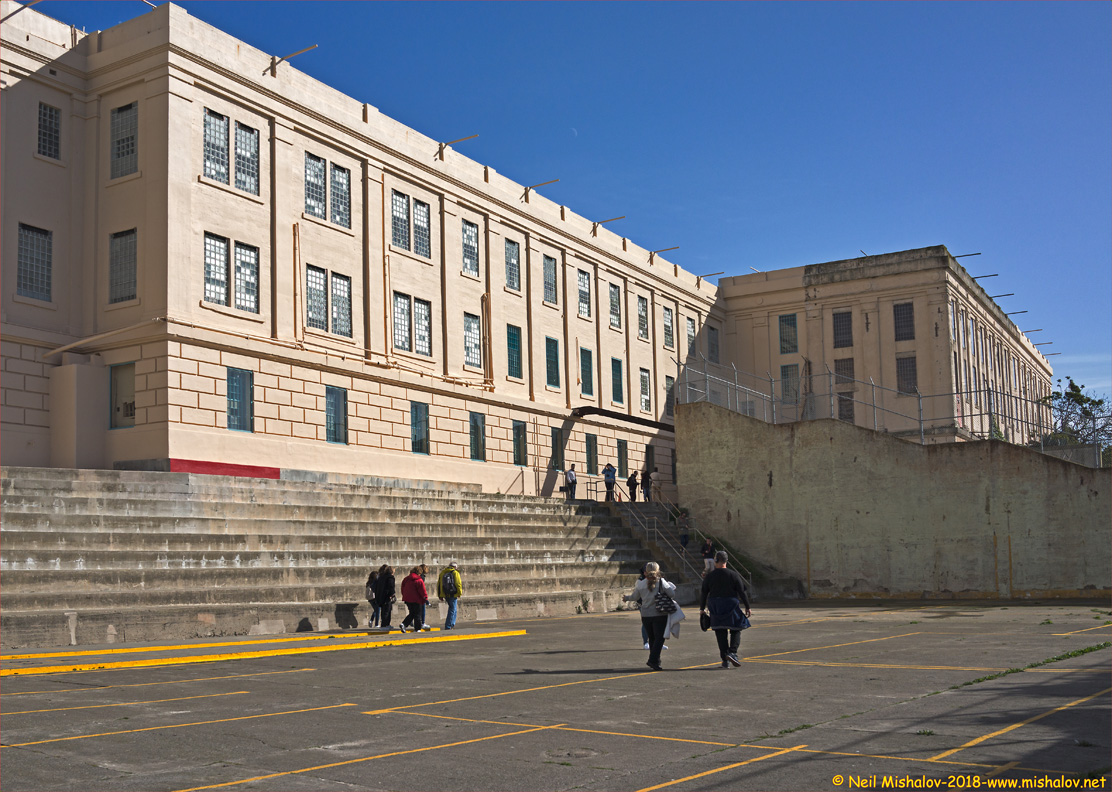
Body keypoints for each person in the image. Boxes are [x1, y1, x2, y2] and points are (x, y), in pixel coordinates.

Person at [700, 550, 752, 668]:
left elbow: (704, 593)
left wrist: (702, 609)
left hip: (715, 605)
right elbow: (742, 592)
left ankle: (725, 660)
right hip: (730, 604)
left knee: (720, 632)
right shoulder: (733, 575)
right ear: (726, 561)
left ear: (716, 560)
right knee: (736, 628)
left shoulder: (710, 576)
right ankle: (732, 652)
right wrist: (747, 607)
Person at [622, 561, 675, 671]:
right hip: (659, 613)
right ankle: (652, 659)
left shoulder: (640, 583)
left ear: (646, 572)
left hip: (646, 615)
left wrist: (626, 598)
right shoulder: (661, 582)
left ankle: (656, 662)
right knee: (660, 638)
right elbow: (672, 594)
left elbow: (635, 596)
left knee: (652, 638)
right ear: (657, 571)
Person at [399, 566, 429, 633]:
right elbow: (422, 591)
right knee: (417, 614)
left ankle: (404, 624)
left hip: (407, 599)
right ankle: (417, 629)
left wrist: (404, 595)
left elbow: (402, 588)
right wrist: (425, 598)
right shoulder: (419, 580)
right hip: (417, 599)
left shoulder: (406, 579)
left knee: (412, 613)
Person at [438, 561, 463, 630]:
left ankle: (451, 624)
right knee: (452, 609)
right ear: (455, 567)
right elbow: (458, 584)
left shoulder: (443, 573)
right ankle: (449, 625)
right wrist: (459, 593)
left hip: (445, 593)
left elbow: (439, 584)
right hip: (453, 593)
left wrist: (440, 595)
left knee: (452, 609)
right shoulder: (455, 573)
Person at [373, 564, 396, 629]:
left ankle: (386, 624)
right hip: (387, 597)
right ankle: (384, 625)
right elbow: (391, 586)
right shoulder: (390, 577)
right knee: (387, 611)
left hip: (381, 596)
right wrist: (392, 594)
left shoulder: (381, 577)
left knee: (384, 611)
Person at [417, 563, 431, 630]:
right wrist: (425, 598)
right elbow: (422, 588)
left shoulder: (417, 576)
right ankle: (422, 623)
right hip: (420, 597)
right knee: (422, 610)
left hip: (416, 596)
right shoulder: (421, 577)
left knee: (416, 611)